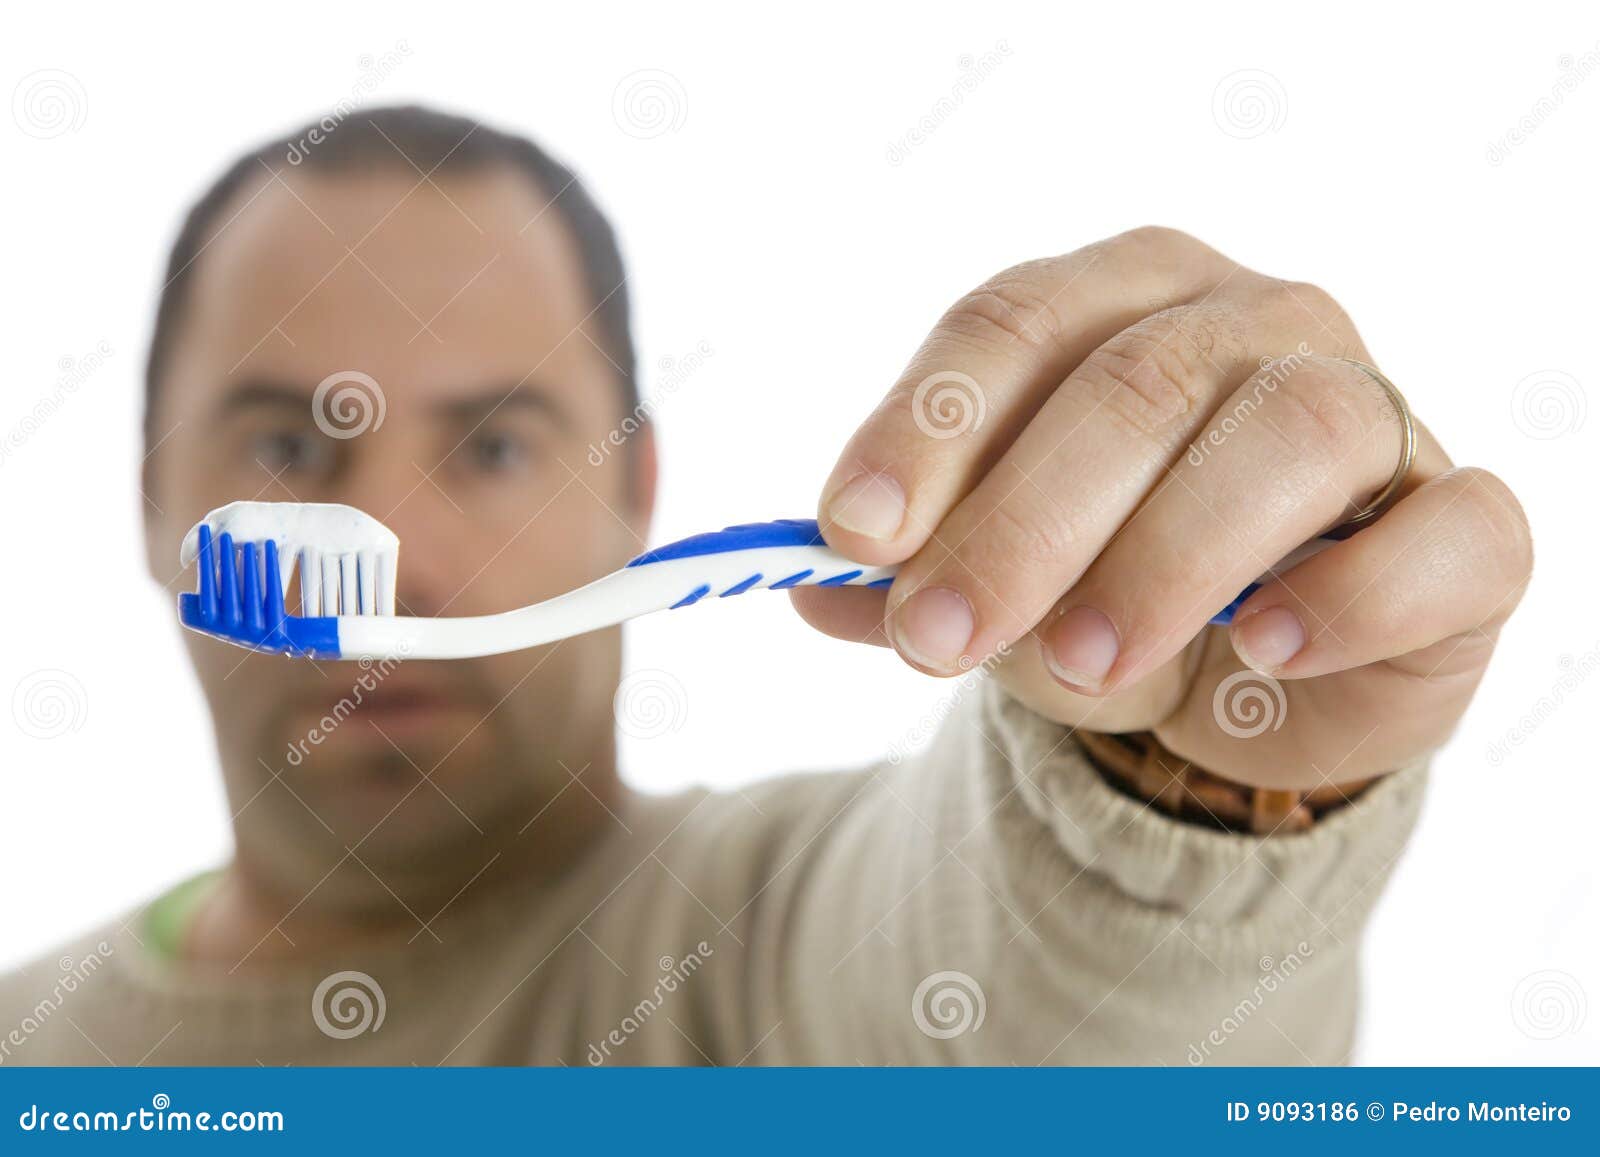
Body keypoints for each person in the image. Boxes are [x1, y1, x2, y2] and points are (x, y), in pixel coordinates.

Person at [0, 105, 1531, 1066]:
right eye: (285, 437)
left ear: (634, 492)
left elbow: (1047, 1010)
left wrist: (1176, 781)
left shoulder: (768, 955)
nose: (397, 539)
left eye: (494, 444)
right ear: (150, 499)